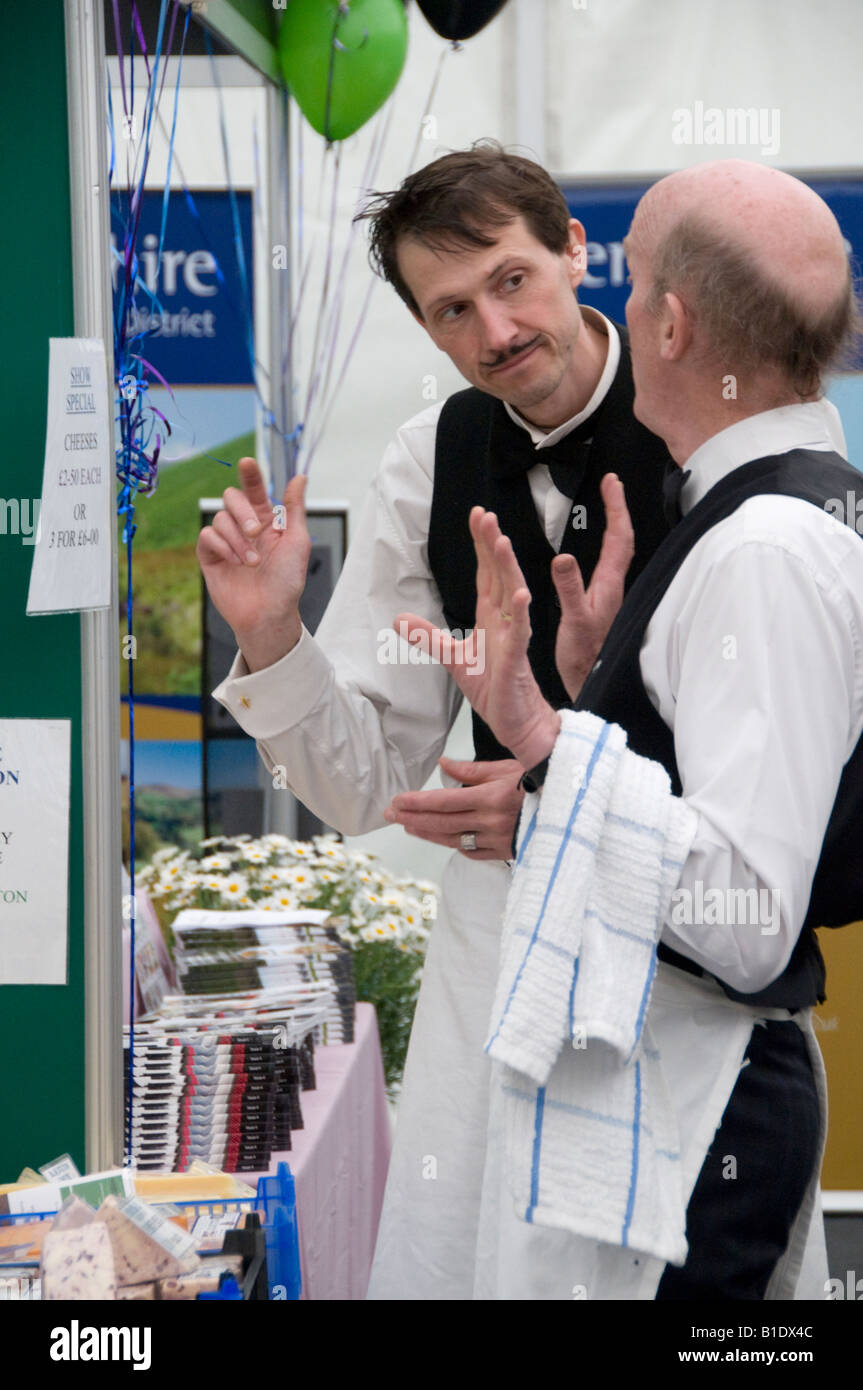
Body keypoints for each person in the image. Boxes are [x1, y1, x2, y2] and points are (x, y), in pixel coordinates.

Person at [196, 146, 845, 1299]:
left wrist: (559, 779)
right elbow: (363, 782)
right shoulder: (426, 464)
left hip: (688, 997)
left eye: (510, 280)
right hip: (498, 968)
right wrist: (270, 638)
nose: (493, 330)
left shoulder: (712, 438)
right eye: (451, 310)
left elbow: (771, 780)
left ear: (574, 254)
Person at [397, 157, 863, 1299]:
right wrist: (596, 676)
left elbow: (746, 917)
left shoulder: (758, 547)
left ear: (666, 322)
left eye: (634, 273)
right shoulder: (783, 507)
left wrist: (550, 744)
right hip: (681, 1099)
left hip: (705, 1104)